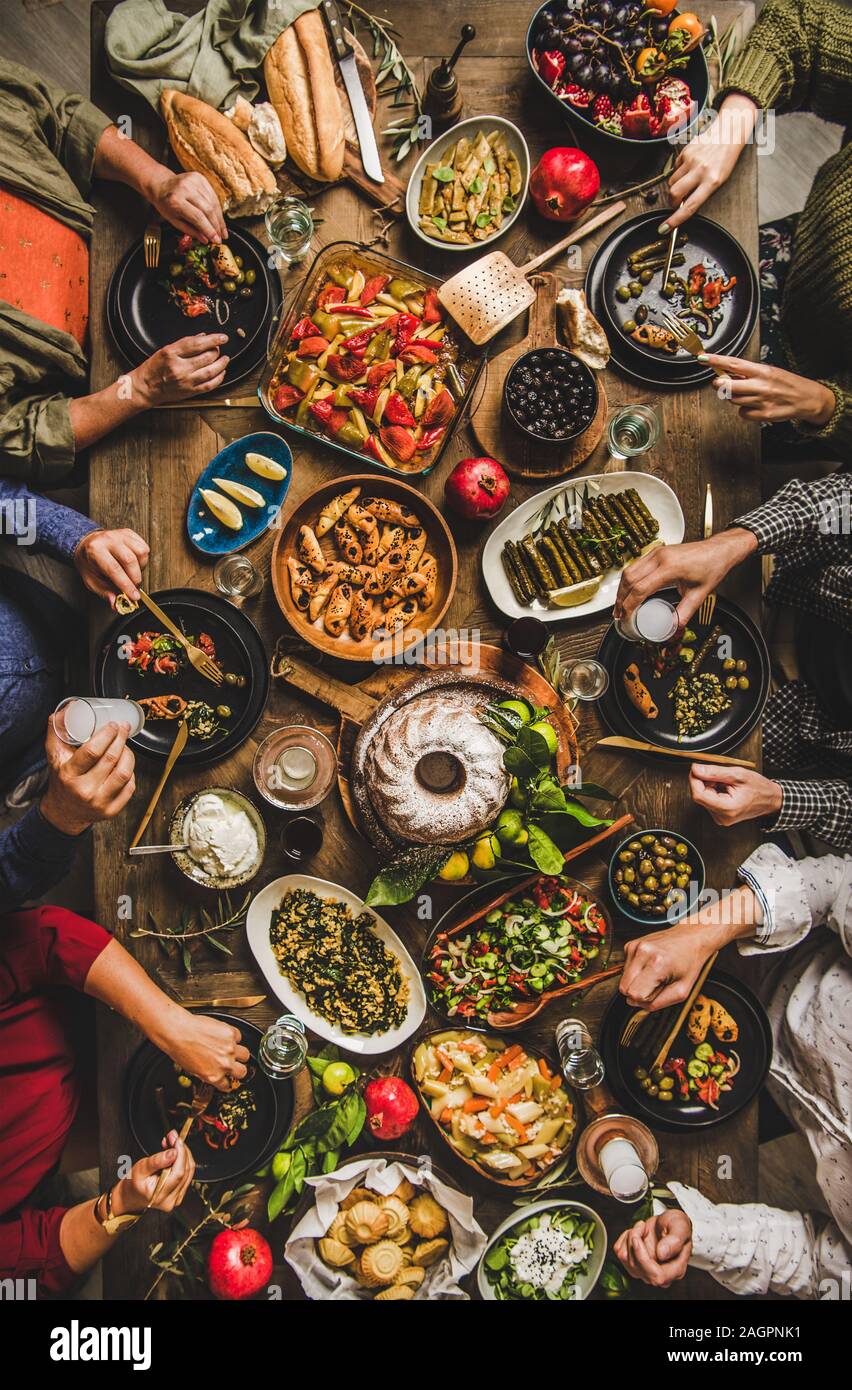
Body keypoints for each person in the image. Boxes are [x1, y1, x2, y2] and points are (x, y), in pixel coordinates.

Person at [613, 842, 851, 1298]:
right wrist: (700, 931)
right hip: (765, 928)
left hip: (774, 1092)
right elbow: (838, 885)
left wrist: (701, 1236)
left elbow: (820, 1261)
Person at [0, 59, 232, 485]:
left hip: (113, 215)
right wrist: (139, 389)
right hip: (98, 379)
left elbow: (60, 117)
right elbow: (24, 441)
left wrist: (156, 181)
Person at [0, 901, 250, 1296]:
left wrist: (172, 1026)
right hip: (64, 1142)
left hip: (95, 992)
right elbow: (35, 1262)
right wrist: (120, 1204)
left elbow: (40, 941)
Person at [615, 472, 852, 849]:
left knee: (658, 776)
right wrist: (733, 542)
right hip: (781, 589)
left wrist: (779, 800)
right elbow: (841, 503)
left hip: (798, 730)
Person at [659, 0, 851, 453]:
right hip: (802, 250)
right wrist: (733, 124)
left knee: (694, 438)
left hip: (803, 390)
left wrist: (826, 404)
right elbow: (799, 27)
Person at [0, 474, 149, 800]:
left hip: (45, 596)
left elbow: (2, 502)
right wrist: (60, 818)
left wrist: (75, 538)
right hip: (41, 759)